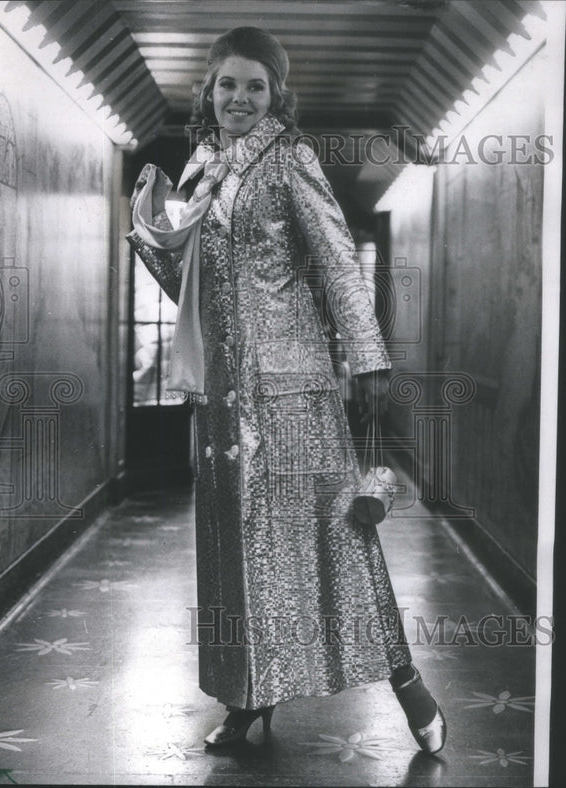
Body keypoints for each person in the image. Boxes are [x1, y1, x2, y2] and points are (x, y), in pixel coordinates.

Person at [127, 26, 446, 755]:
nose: (239, 97)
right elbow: (193, 292)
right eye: (227, 84)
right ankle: (248, 696)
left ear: (276, 94)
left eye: (255, 85)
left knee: (341, 539)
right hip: (224, 400)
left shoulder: (289, 159)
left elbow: (337, 261)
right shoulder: (201, 167)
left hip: (295, 391)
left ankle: (408, 685)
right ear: (208, 90)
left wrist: (367, 358)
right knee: (231, 550)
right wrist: (148, 236)